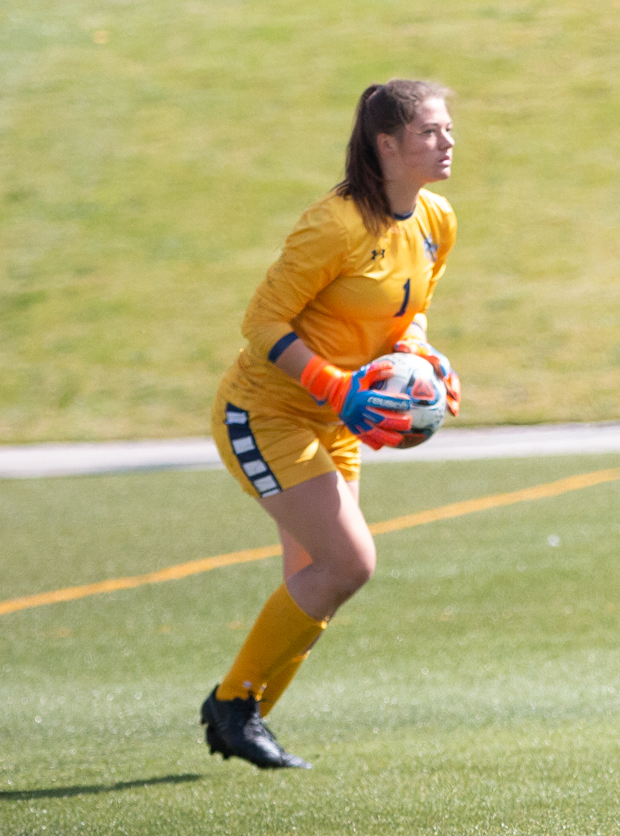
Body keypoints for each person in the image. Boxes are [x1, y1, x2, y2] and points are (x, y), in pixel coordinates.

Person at [200, 79, 462, 770]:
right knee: (351, 563)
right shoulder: (334, 225)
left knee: (323, 580)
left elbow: (407, 317)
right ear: (386, 144)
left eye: (448, 128)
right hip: (265, 413)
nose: (448, 140)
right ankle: (230, 708)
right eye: (431, 130)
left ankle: (245, 717)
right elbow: (260, 324)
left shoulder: (436, 221)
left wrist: (425, 362)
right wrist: (335, 388)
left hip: (337, 418)